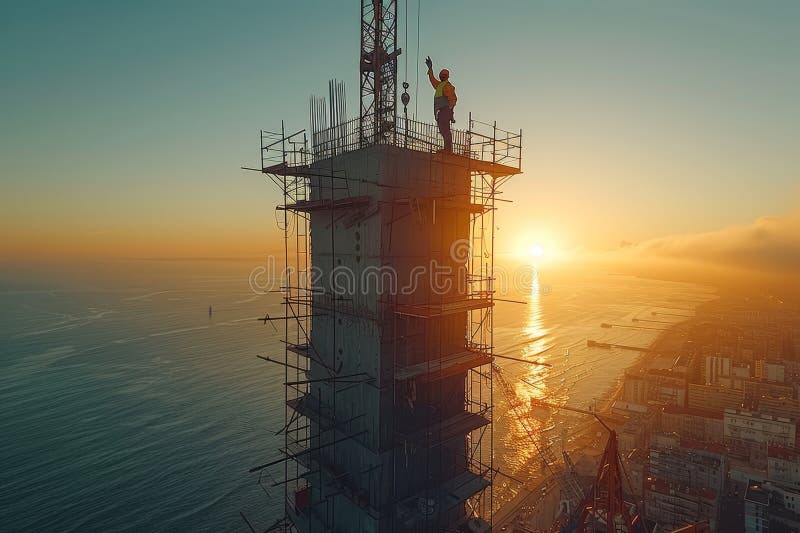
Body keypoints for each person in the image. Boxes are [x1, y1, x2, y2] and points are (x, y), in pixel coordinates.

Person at [425, 56, 457, 152]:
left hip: (444, 110)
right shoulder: (440, 85)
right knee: (443, 129)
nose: (442, 76)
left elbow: (453, 98)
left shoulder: (448, 86)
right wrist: (430, 69)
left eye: (444, 75)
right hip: (440, 111)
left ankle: (448, 149)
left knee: (445, 130)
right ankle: (447, 148)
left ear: (447, 76)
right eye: (441, 75)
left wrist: (450, 109)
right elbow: (432, 80)